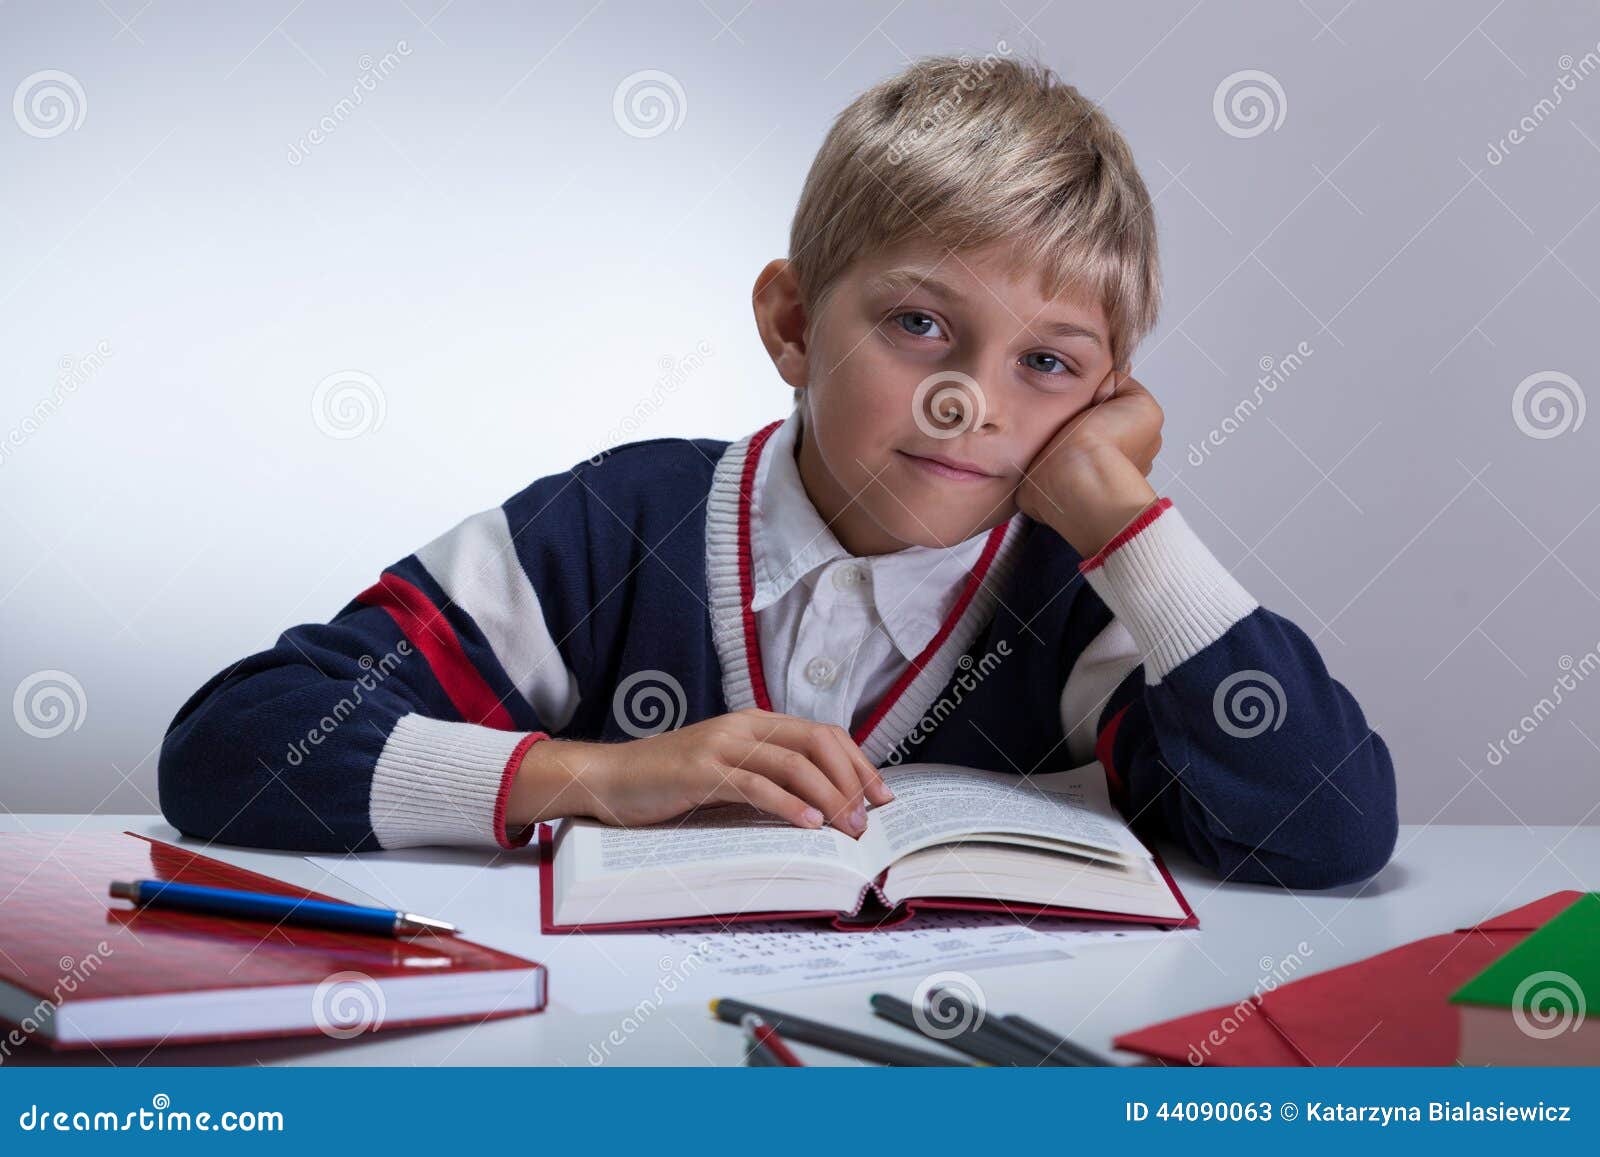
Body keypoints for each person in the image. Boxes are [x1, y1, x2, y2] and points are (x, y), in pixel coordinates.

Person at [159, 54, 1397, 889]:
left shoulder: (1082, 595)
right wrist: (592, 776)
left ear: (1106, 399)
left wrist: (1125, 517)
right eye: (918, 324)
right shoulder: (613, 525)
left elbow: (1331, 826)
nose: (969, 401)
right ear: (793, 324)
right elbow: (230, 746)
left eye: (1048, 363)